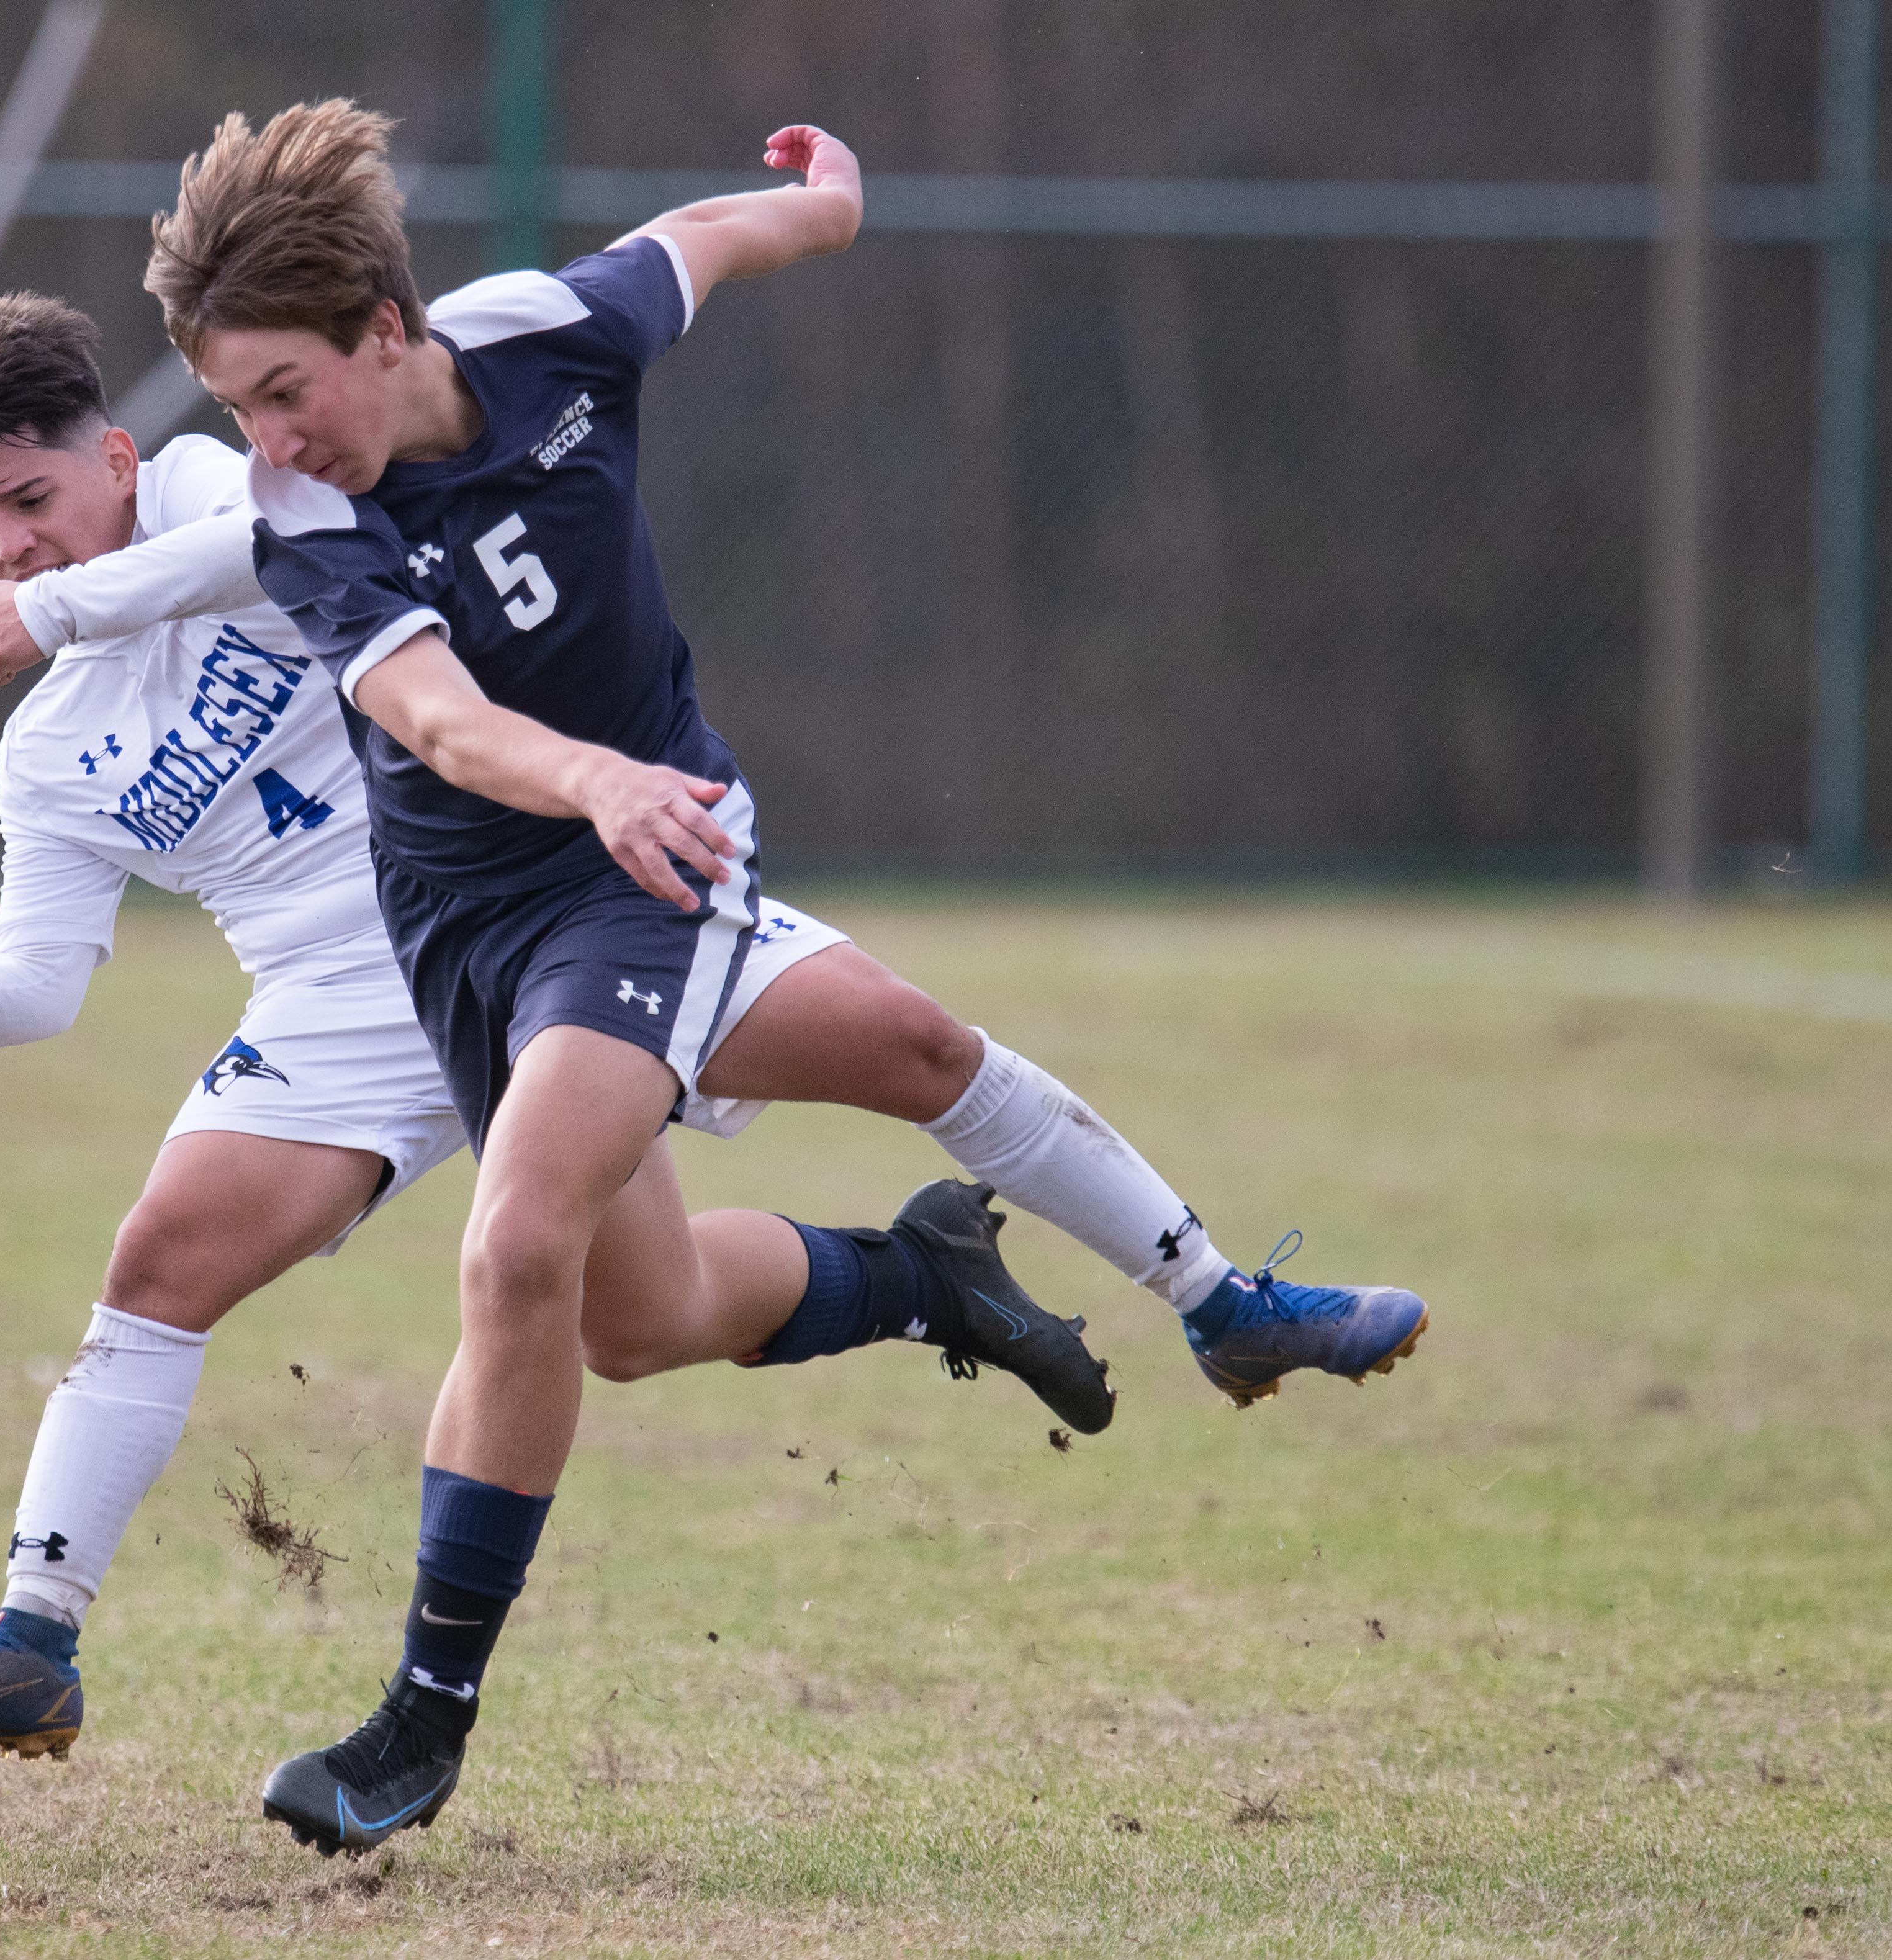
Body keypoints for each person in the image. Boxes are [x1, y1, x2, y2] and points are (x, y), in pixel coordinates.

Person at [141, 100, 1431, 1851]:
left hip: (645, 867)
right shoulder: (309, 519)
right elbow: (434, 716)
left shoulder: (546, 332)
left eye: (281, 388)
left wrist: (819, 207)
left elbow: (696, 249)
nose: (260, 436)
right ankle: (922, 1277)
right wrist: (584, 772)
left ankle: (414, 1728)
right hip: (479, 918)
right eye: (231, 405)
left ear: (384, 328)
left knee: (525, 1230)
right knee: (634, 1312)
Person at [0, 291, 1107, 1764]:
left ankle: (955, 1269)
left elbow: (263, 552)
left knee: (646, 1316)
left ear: (120, 456)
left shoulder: (231, 491)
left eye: (30, 500)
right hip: (334, 1008)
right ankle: (33, 1638)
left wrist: (67, 600)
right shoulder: (49, 750)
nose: (14, 547)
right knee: (170, 1264)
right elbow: (36, 986)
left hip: (510, 915)